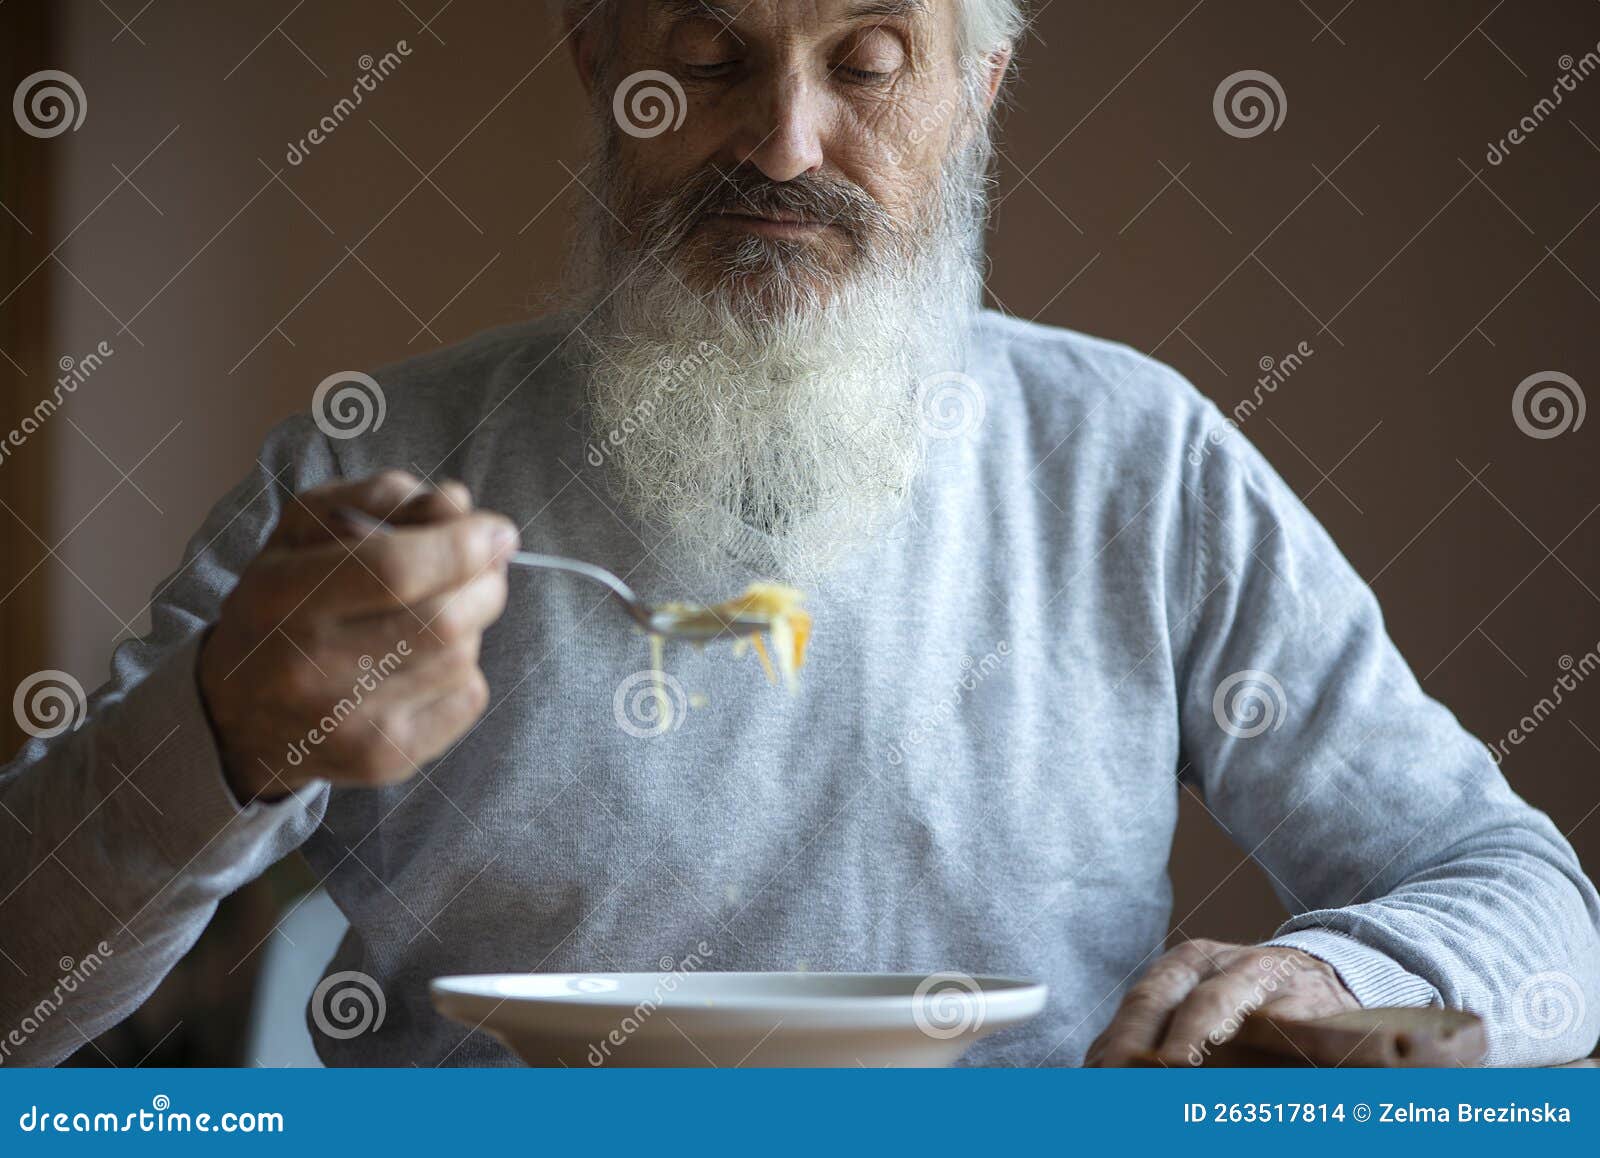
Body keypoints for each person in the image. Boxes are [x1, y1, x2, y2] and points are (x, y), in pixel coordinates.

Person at [2, 0, 1597, 1067]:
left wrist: (1343, 973)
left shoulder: (1137, 458)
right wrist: (220, 735)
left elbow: (1529, 899)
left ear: (977, 92)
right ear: (598, 65)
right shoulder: (377, 463)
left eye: (870, 60)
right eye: (708, 55)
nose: (780, 142)